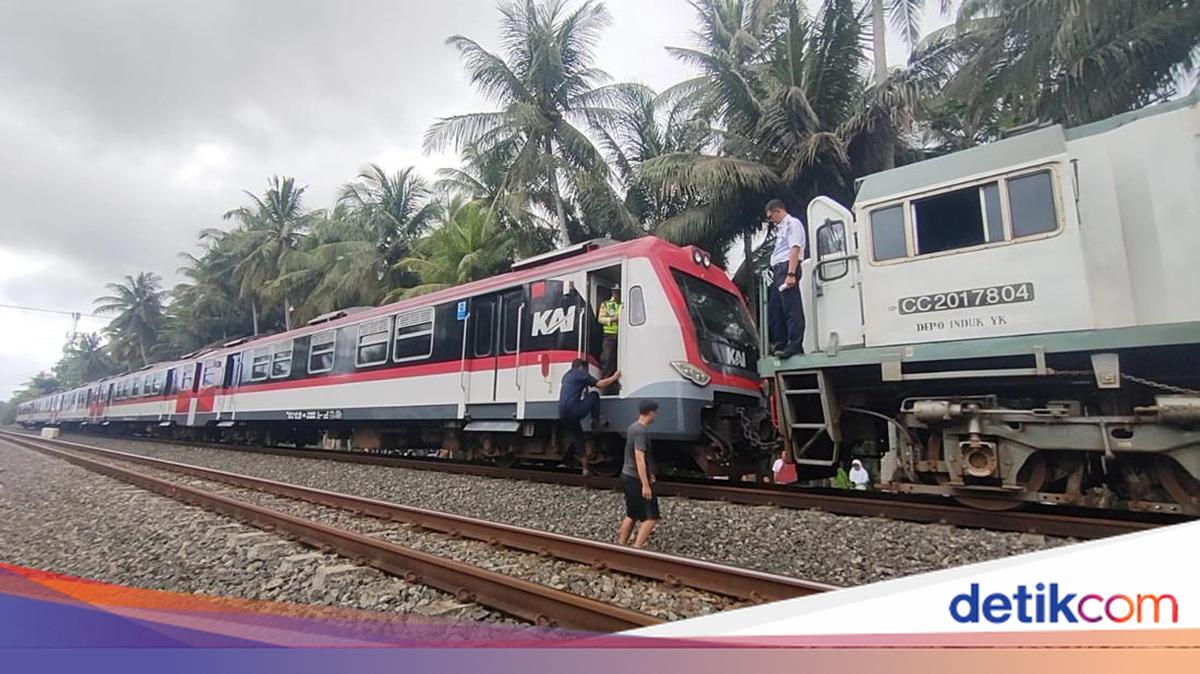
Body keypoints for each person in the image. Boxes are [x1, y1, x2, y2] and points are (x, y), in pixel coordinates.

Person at [558, 358, 621, 475]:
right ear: (581, 367)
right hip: (574, 410)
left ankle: (585, 469)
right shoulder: (581, 374)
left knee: (578, 438)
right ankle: (595, 421)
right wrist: (615, 377)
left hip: (562, 413)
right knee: (594, 395)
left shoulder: (566, 376)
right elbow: (600, 385)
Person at [765, 198, 806, 358]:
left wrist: (791, 273)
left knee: (791, 308)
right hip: (778, 269)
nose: (771, 220)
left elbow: (795, 248)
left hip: (787, 266)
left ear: (778, 211)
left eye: (771, 217)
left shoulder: (792, 224)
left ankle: (795, 345)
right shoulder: (781, 228)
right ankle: (780, 344)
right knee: (776, 309)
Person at [618, 401, 660, 548]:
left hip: (627, 475)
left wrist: (650, 473)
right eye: (656, 412)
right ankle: (637, 548)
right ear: (651, 413)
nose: (656, 415)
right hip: (635, 478)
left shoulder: (632, 427)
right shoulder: (641, 431)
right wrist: (645, 485)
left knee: (632, 514)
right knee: (651, 517)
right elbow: (639, 458)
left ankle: (621, 545)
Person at [597, 286, 621, 394]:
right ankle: (606, 388)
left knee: (617, 362)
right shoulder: (606, 304)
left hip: (622, 336)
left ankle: (615, 386)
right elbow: (600, 319)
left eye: (618, 292)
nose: (617, 294)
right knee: (607, 361)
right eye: (615, 292)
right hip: (609, 336)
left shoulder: (622, 304)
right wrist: (612, 319)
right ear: (612, 292)